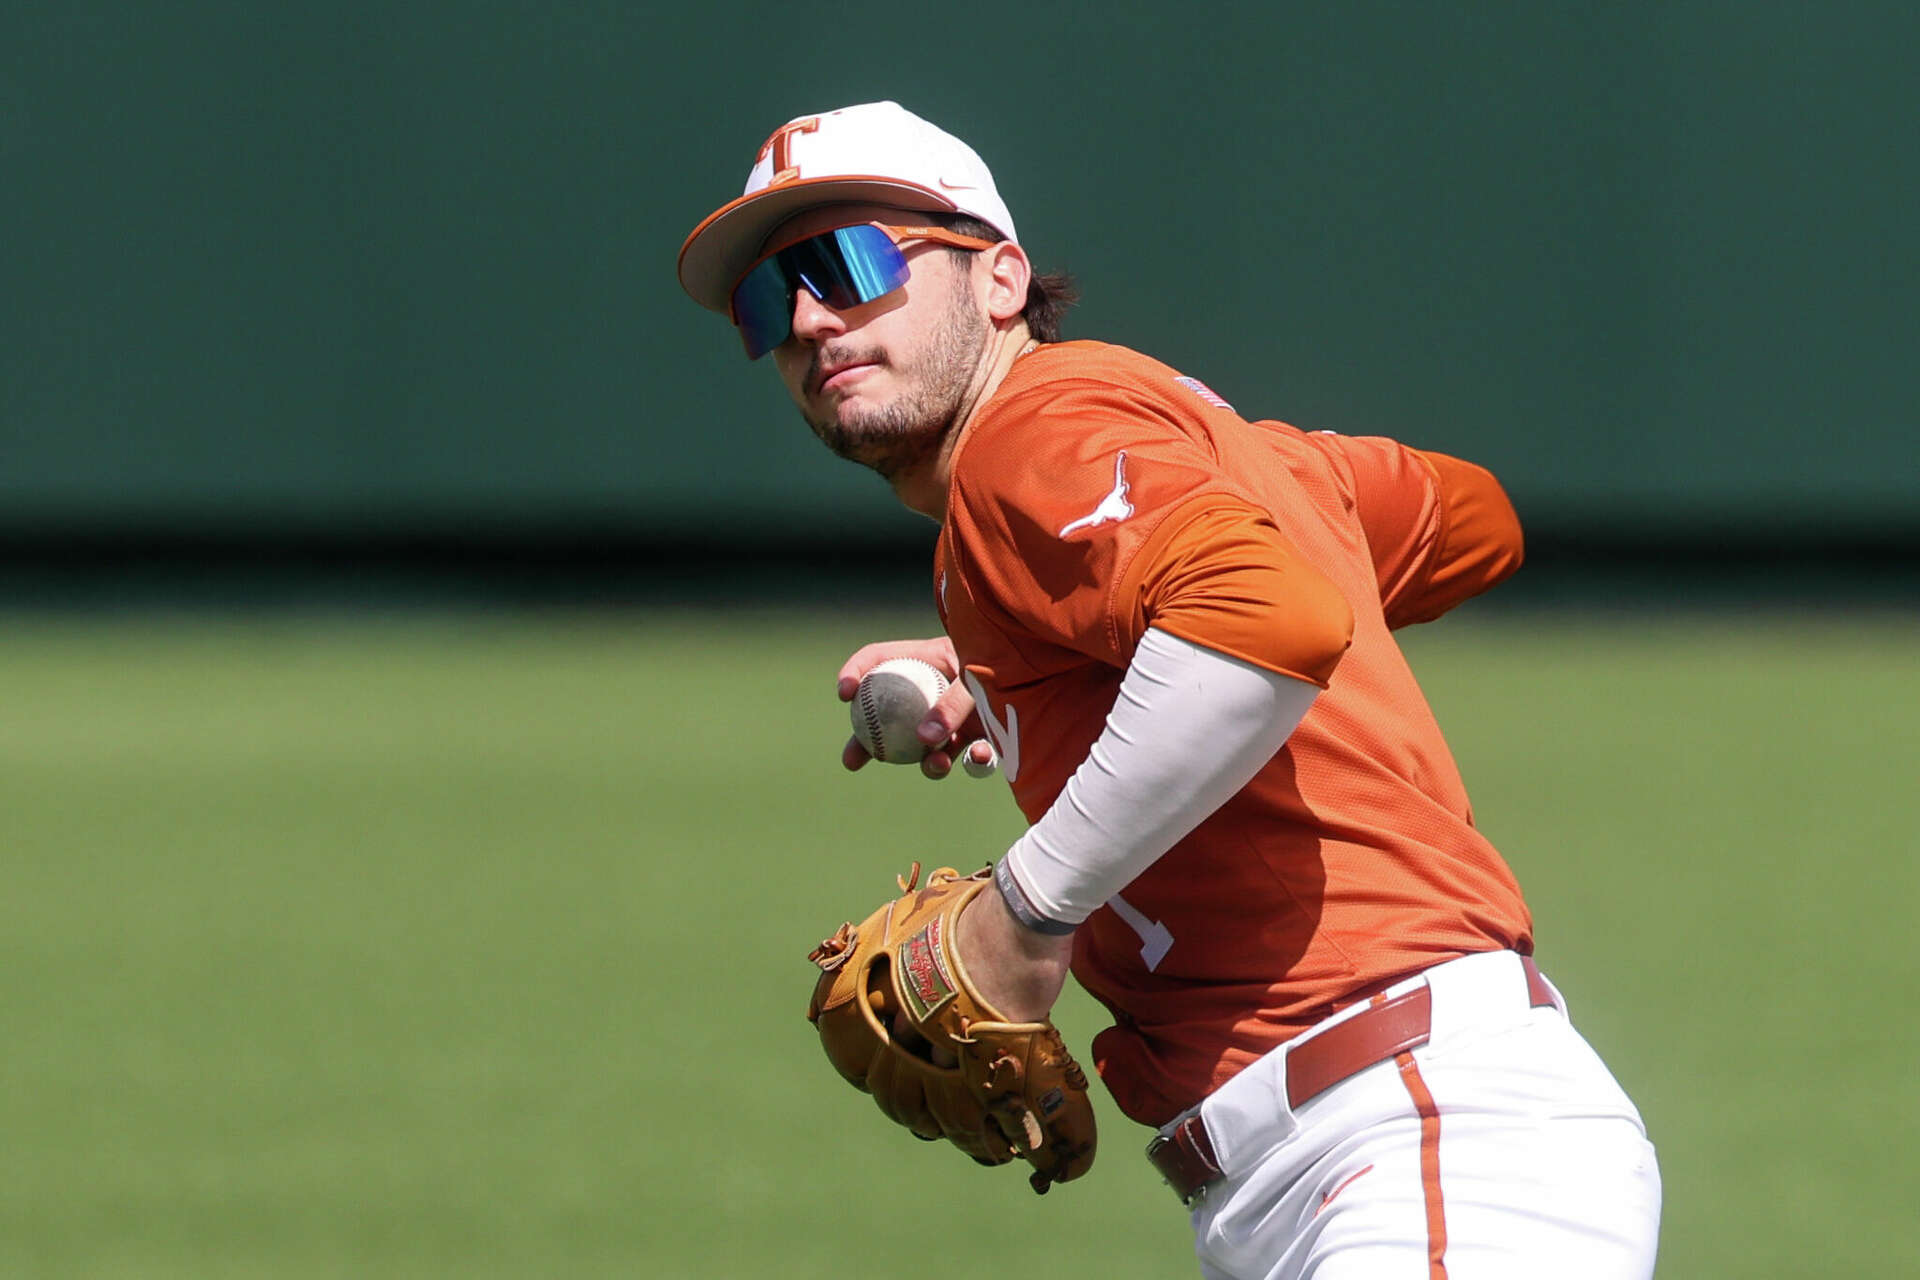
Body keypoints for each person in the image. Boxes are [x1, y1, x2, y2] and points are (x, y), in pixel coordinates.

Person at [677, 101, 1661, 1279]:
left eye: (849, 260)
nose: (805, 316)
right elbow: (1471, 523)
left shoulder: (1026, 431)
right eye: (762, 301)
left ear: (999, 278)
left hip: (1417, 1141)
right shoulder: (1191, 455)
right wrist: (1052, 641)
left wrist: (1024, 908)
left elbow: (1271, 618)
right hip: (1372, 1154)